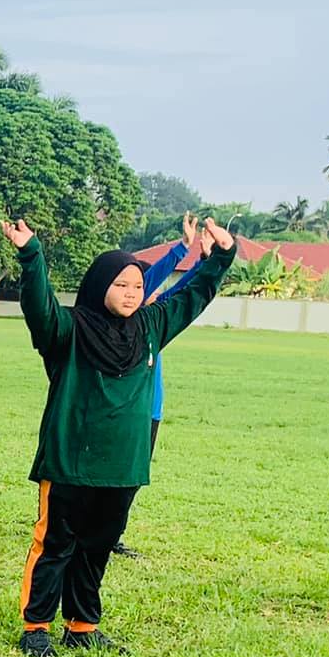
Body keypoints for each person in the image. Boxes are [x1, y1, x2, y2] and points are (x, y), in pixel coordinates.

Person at [6, 213, 236, 657]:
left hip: (123, 465)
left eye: (136, 286)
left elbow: (194, 295)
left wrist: (222, 257)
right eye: (120, 286)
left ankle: (82, 625)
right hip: (71, 460)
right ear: (99, 286)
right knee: (55, 545)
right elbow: (39, 308)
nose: (130, 294)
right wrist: (32, 255)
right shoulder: (68, 330)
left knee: (98, 547)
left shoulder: (150, 328)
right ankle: (36, 626)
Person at [112, 213, 208, 556]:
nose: (142, 293)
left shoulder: (158, 322)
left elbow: (186, 290)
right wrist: (182, 248)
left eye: (141, 288)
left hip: (150, 411)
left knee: (132, 479)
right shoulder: (128, 324)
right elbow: (152, 281)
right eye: (132, 287)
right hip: (122, 410)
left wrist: (207, 260)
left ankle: (112, 535)